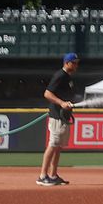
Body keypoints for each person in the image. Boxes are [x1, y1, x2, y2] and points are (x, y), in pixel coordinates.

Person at [39, 52, 78, 186]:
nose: (76, 65)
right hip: (57, 115)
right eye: (74, 62)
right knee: (53, 144)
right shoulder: (60, 75)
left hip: (63, 117)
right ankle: (43, 175)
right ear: (67, 63)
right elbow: (47, 93)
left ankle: (53, 175)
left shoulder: (68, 77)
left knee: (58, 146)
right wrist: (61, 103)